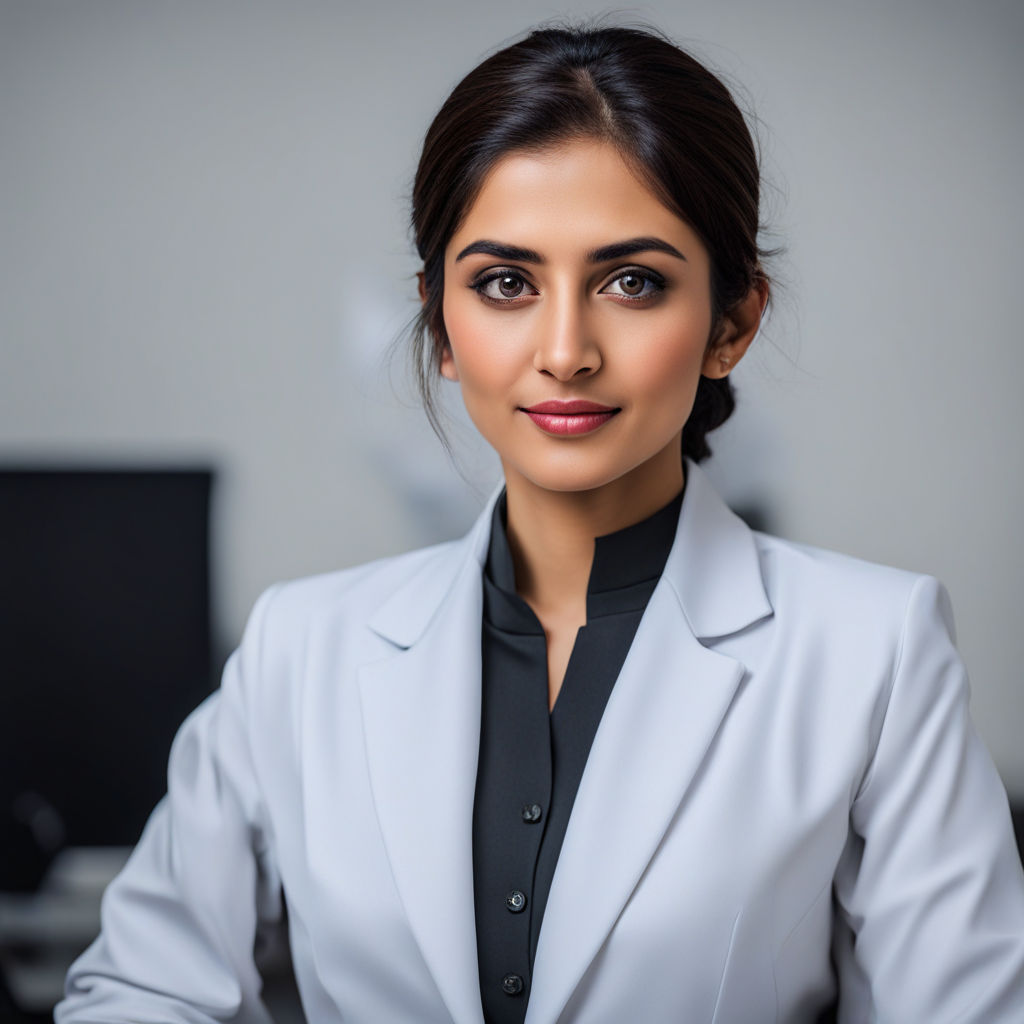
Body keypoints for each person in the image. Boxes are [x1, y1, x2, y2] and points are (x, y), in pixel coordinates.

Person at [57, 24, 1024, 1024]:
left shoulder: (875, 653)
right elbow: (139, 991)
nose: (565, 351)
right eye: (506, 283)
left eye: (632, 281)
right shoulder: (299, 652)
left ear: (731, 324)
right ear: (440, 324)